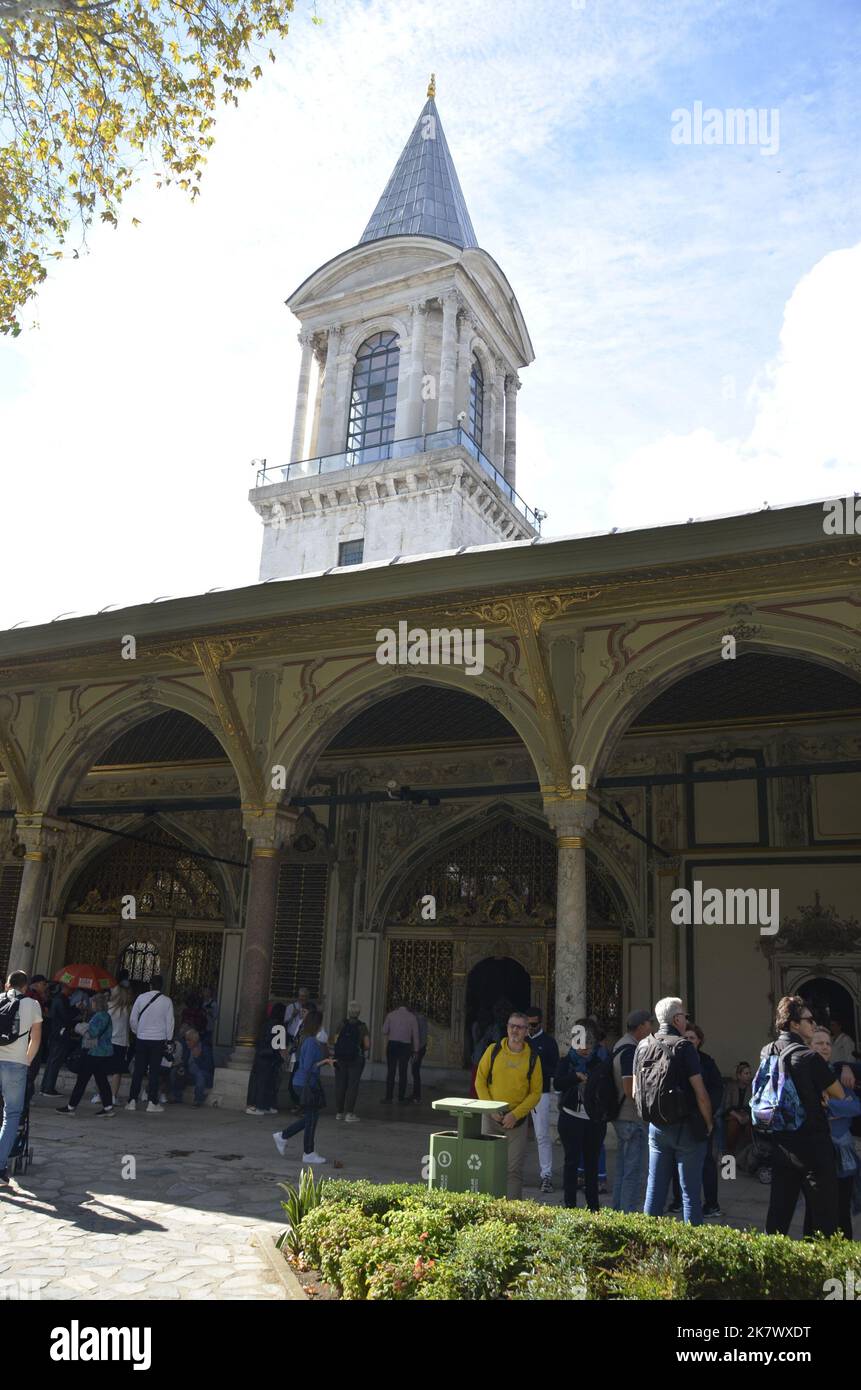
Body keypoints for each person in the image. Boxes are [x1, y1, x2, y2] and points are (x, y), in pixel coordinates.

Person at [759, 995, 844, 1238]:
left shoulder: (767, 1051)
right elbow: (837, 1092)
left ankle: (770, 1266)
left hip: (782, 1142)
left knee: (778, 1212)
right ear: (794, 1024)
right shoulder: (809, 1057)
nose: (814, 1024)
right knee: (824, 1214)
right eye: (809, 1020)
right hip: (813, 1144)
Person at [635, 996, 713, 1226]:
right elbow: (700, 1092)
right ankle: (691, 1248)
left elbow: (634, 1091)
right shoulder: (684, 1046)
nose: (686, 1020)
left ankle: (646, 1245)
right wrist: (708, 1123)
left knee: (655, 1190)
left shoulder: (642, 1045)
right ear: (677, 1019)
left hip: (657, 1126)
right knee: (690, 1193)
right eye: (685, 1016)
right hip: (686, 1126)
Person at [475, 1010, 542, 1199]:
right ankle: (487, 1208)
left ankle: (512, 1212)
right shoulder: (493, 1051)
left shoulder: (533, 1058)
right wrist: (491, 1108)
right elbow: (480, 1081)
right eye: (512, 1026)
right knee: (489, 1166)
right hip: (491, 1117)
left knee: (513, 1170)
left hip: (516, 1121)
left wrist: (516, 1114)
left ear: (526, 1031)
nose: (515, 1030)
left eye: (520, 1027)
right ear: (506, 1028)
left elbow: (536, 1092)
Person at [809, 1026, 860, 1239]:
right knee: (818, 1210)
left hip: (843, 1152)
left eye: (828, 1043)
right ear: (809, 1047)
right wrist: (839, 1105)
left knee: (842, 1210)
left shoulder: (839, 1073)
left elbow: (856, 1107)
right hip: (817, 1150)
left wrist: (830, 1106)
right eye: (819, 1043)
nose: (824, 1047)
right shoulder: (805, 1074)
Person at [668, 1023, 724, 1218]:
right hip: (682, 1118)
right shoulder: (676, 1060)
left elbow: (717, 1089)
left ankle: (711, 1203)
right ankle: (678, 1200)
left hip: (702, 1118)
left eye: (693, 1038)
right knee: (678, 1162)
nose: (690, 1041)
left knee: (707, 1162)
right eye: (687, 1038)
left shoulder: (708, 1062)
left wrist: (709, 1112)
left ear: (699, 1041)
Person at [554, 1018, 607, 1211]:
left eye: (589, 1043)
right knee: (571, 1163)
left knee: (592, 1165)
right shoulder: (566, 1061)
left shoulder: (600, 1062)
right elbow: (558, 1084)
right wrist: (574, 1077)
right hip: (571, 1118)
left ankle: (593, 1207)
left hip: (594, 1121)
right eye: (581, 1042)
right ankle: (570, 1206)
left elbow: (607, 1089)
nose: (584, 1048)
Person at [273, 1009, 333, 1164]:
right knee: (311, 1118)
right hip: (305, 1082)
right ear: (317, 1024)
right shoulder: (311, 1042)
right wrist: (324, 1062)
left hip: (302, 1082)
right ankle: (303, 1149)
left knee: (311, 1117)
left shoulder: (307, 1039)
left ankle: (288, 1139)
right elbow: (307, 1066)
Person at [0, 971, 43, 1186]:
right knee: (12, 1115)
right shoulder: (32, 1005)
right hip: (16, 1064)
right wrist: (26, 1061)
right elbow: (36, 1038)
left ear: (7, 985)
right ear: (26, 987)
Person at [610, 1008, 652, 1213]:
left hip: (623, 1118)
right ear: (641, 1026)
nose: (651, 1028)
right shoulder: (630, 1050)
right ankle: (628, 1215)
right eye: (648, 1024)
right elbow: (629, 1088)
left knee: (623, 1169)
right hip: (631, 1119)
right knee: (633, 1173)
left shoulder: (620, 1045)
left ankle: (618, 1212)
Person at [56, 991, 115, 1116]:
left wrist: (79, 1027)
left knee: (82, 1080)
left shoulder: (99, 1016)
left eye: (92, 1002)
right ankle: (108, 1107)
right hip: (102, 1053)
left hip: (94, 1052)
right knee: (102, 1080)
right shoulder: (106, 1016)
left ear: (96, 1004)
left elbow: (92, 1033)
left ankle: (71, 1107)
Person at [126, 975, 175, 1113]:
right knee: (154, 1072)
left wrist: (138, 1032)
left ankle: (132, 1101)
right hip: (158, 1040)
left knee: (138, 1071)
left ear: (150, 985)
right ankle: (152, 1102)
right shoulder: (167, 1001)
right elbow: (170, 1022)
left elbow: (133, 1019)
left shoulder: (141, 998)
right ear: (162, 986)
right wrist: (169, 1040)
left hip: (141, 1039)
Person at [525, 1007, 559, 1193]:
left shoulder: (549, 1043)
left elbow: (553, 1069)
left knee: (542, 1135)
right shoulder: (520, 1041)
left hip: (541, 1093)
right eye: (527, 1024)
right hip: (520, 1093)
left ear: (541, 1023)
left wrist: (535, 1068)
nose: (530, 1028)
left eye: (534, 1024)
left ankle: (546, 1175)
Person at [246, 1002, 288, 1115]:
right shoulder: (281, 1026)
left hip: (262, 1056)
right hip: (272, 1058)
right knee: (268, 1083)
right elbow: (281, 1045)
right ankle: (263, 1105)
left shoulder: (265, 1024)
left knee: (260, 1082)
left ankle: (256, 1105)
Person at [332, 1001, 370, 1121]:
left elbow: (335, 1040)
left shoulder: (341, 1024)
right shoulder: (362, 1026)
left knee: (340, 1084)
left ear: (349, 1011)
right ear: (359, 1012)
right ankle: (349, 1113)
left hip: (341, 1057)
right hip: (356, 1058)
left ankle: (339, 1112)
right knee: (352, 1086)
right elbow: (367, 1045)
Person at [39, 983, 78, 1096]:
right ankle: (48, 1088)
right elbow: (66, 1017)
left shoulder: (59, 999)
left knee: (52, 1061)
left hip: (55, 1034)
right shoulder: (61, 1000)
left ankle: (45, 1087)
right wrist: (76, 1010)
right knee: (55, 1061)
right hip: (59, 1034)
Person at [381, 1001, 419, 1105]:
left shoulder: (391, 1015)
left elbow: (384, 1031)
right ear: (407, 1007)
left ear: (397, 1006)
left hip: (392, 1045)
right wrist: (416, 1051)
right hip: (406, 1047)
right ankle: (401, 1098)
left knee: (391, 1072)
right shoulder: (412, 1017)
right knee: (403, 1072)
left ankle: (389, 1097)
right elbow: (415, 1035)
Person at [171, 1028, 209, 1106]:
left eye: (189, 1040)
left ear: (195, 1040)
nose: (186, 1042)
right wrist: (181, 1066)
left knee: (200, 1075)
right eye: (186, 1040)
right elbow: (184, 1061)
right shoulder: (187, 1048)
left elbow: (208, 1066)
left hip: (202, 1073)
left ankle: (198, 1100)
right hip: (189, 1073)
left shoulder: (204, 1048)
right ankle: (177, 1097)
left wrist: (197, 1058)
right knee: (175, 1071)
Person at [723, 1062, 754, 1154]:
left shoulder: (752, 1087)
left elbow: (754, 1105)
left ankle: (747, 1153)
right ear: (739, 1076)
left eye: (749, 1073)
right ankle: (730, 1152)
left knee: (750, 1127)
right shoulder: (731, 1086)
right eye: (746, 1074)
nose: (749, 1076)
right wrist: (738, 1117)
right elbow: (727, 1106)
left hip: (747, 1114)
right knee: (733, 1125)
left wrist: (747, 1116)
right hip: (733, 1114)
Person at [408, 1009, 429, 1104]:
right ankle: (416, 1094)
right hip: (420, 1048)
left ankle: (417, 1095)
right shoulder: (421, 1018)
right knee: (415, 1071)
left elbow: (418, 1036)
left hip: (418, 1049)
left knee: (415, 1071)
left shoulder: (417, 1019)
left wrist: (415, 1051)